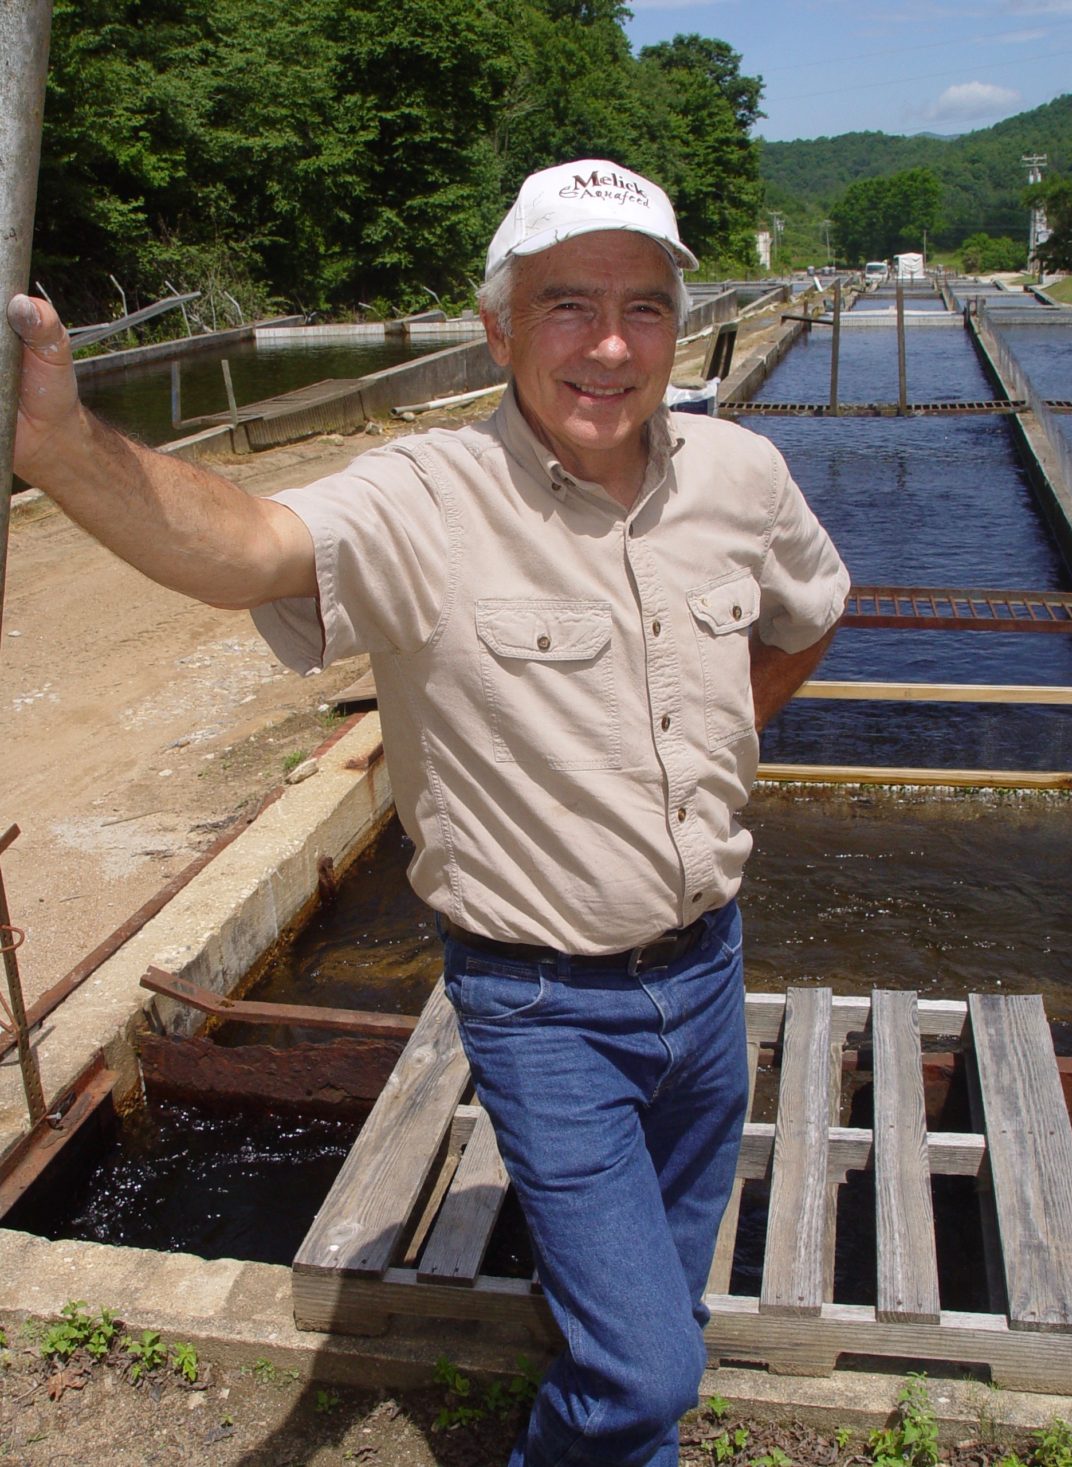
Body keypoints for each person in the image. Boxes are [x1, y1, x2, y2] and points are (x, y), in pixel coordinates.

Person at [7, 158, 849, 1466]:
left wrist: (723, 736)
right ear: (498, 322)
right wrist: (61, 443)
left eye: (644, 305)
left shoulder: (740, 475)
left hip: (709, 970)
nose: (612, 346)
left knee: (657, 1308)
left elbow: (808, 614)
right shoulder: (427, 497)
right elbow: (246, 545)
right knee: (644, 1366)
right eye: (568, 304)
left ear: (679, 324)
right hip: (540, 1005)